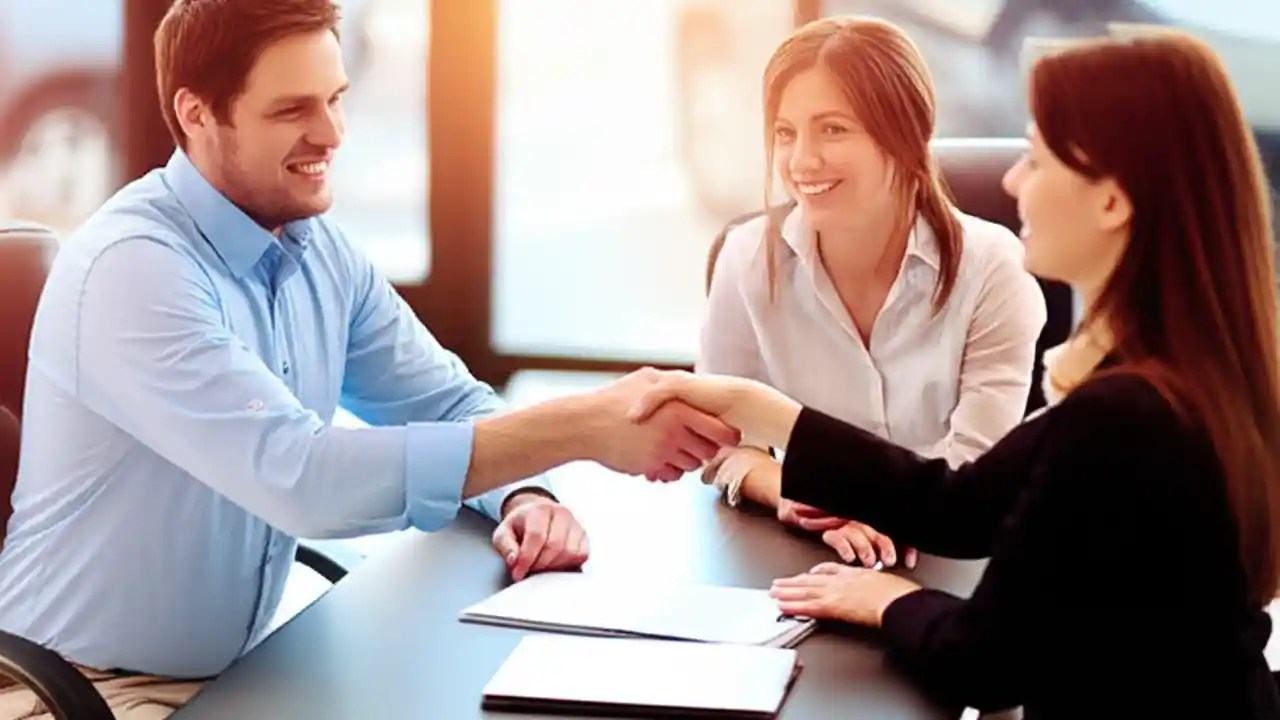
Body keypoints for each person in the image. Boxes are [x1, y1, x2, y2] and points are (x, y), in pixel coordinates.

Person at [0, 1, 735, 716]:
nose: (332, 133)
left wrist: (524, 493)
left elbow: (446, 401)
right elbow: (305, 479)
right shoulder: (135, 269)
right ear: (197, 115)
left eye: (336, 99)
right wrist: (581, 426)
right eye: (292, 111)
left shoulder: (315, 250)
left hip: (244, 672)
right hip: (84, 692)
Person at [632, 29, 1280, 717]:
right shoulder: (1182, 374)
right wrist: (757, 411)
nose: (1010, 180)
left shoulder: (1124, 416)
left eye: (1036, 159)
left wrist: (894, 603)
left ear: (1113, 202)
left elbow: (987, 665)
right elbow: (960, 505)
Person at [698, 16, 1045, 569]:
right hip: (805, 557)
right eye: (786, 133)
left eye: (832, 129)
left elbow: (975, 481)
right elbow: (720, 443)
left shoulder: (992, 270)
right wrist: (784, 490)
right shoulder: (747, 257)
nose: (801, 161)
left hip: (950, 562)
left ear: (906, 134)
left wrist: (867, 500)